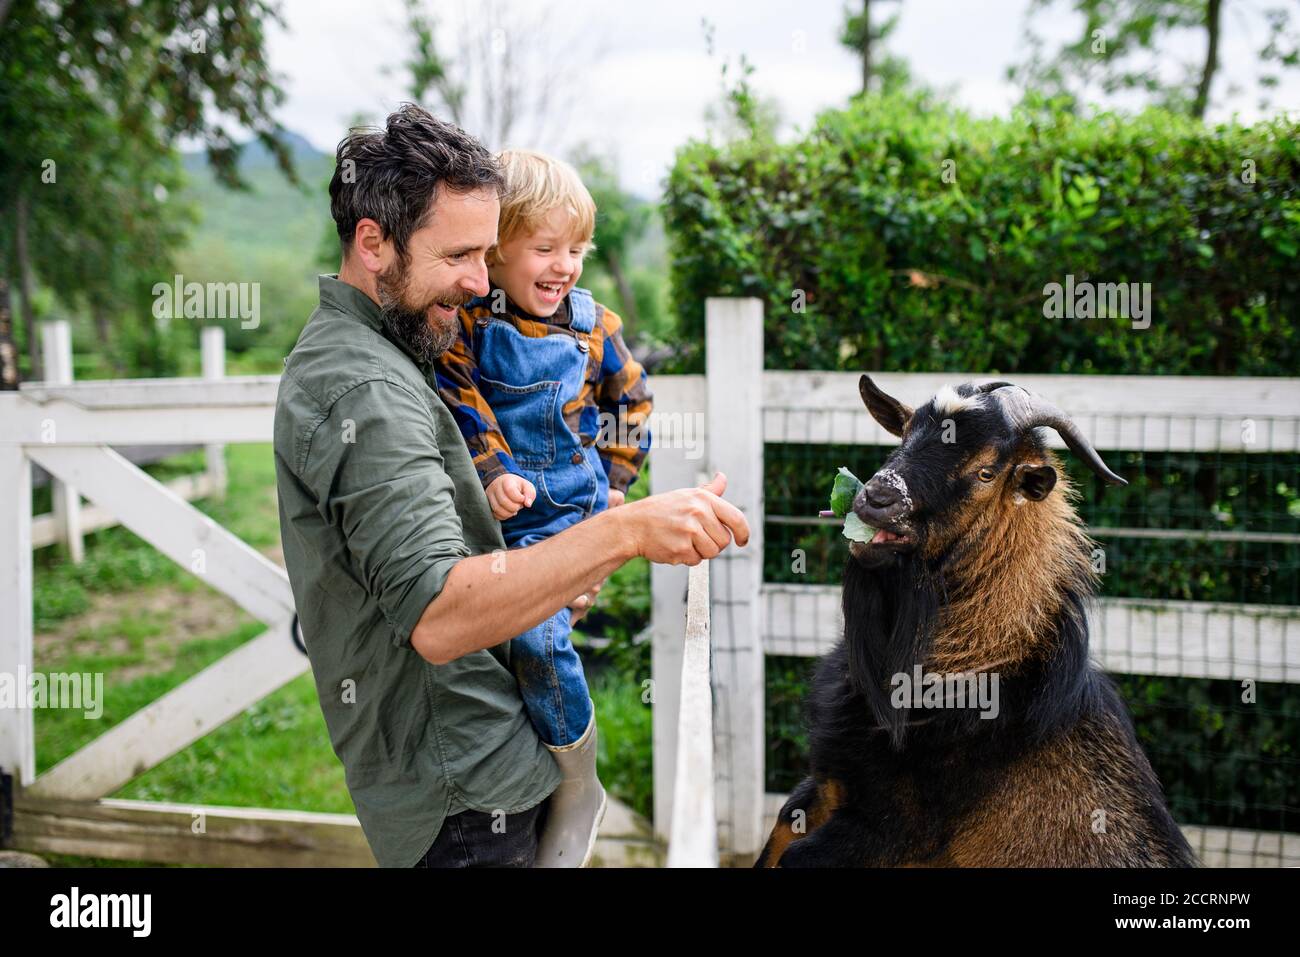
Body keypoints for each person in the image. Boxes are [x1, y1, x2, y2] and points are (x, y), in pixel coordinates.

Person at [272, 104, 749, 869]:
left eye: (487, 254)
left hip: (488, 755)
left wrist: (561, 566)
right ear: (373, 242)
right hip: (463, 792)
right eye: (459, 255)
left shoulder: (404, 342)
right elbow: (438, 613)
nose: (476, 282)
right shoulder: (365, 389)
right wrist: (622, 532)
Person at [433, 149, 653, 867]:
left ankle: (576, 776)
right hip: (504, 513)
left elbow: (635, 402)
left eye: (578, 250)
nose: (565, 266)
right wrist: (493, 469)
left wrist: (618, 483)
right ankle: (529, 772)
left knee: (537, 636)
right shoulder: (470, 321)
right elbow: (459, 393)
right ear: (496, 253)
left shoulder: (593, 324)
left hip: (572, 507)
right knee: (491, 640)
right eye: (546, 248)